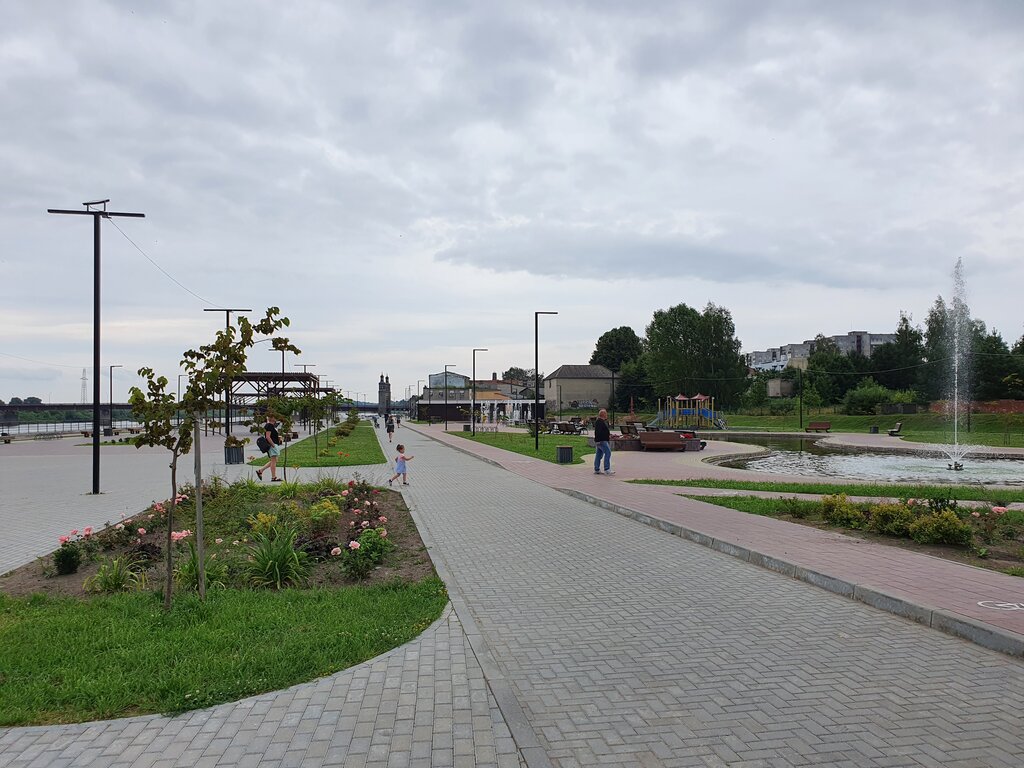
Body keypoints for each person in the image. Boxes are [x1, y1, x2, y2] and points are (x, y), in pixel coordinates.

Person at [256, 415, 283, 482]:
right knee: (274, 461)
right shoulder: (269, 426)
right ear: (272, 418)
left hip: (273, 444)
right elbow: (268, 436)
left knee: (275, 460)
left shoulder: (270, 426)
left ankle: (260, 470)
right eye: (275, 417)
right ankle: (273, 477)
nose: (276, 418)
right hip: (272, 445)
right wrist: (273, 445)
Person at [593, 408, 614, 475]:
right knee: (608, 453)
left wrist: (608, 435)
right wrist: (598, 440)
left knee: (598, 455)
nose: (607, 415)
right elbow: (598, 432)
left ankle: (597, 469)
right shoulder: (599, 422)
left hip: (600, 440)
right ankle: (607, 469)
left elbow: (602, 431)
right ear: (603, 414)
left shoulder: (600, 421)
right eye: (606, 414)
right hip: (602, 441)